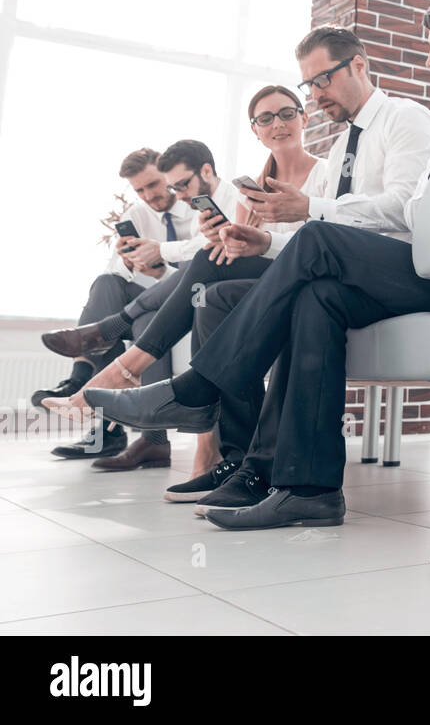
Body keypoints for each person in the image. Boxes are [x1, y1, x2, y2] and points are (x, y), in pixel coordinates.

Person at [88, 0, 430, 530]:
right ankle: (309, 490)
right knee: (315, 297)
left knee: (318, 237)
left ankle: (196, 390)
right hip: (429, 264)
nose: (428, 60)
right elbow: (419, 215)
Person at [48, 86, 326, 497]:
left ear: (304, 117)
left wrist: (222, 245)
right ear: (254, 130)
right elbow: (244, 248)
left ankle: (123, 369)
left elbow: (323, 241)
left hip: (300, 276)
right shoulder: (255, 185)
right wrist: (226, 237)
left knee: (203, 266)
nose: (277, 124)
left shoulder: (325, 171)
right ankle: (231, 458)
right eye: (265, 118)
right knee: (209, 296)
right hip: (254, 280)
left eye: (287, 113)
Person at [36, 147, 192, 465]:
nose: (148, 195)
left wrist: (160, 265)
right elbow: (115, 276)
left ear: (167, 173)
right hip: (141, 297)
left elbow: (200, 268)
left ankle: (136, 434)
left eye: (153, 184)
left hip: (182, 301)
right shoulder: (136, 214)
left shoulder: (195, 208)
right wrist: (128, 261)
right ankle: (83, 379)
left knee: (143, 320)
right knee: (107, 286)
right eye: (139, 190)